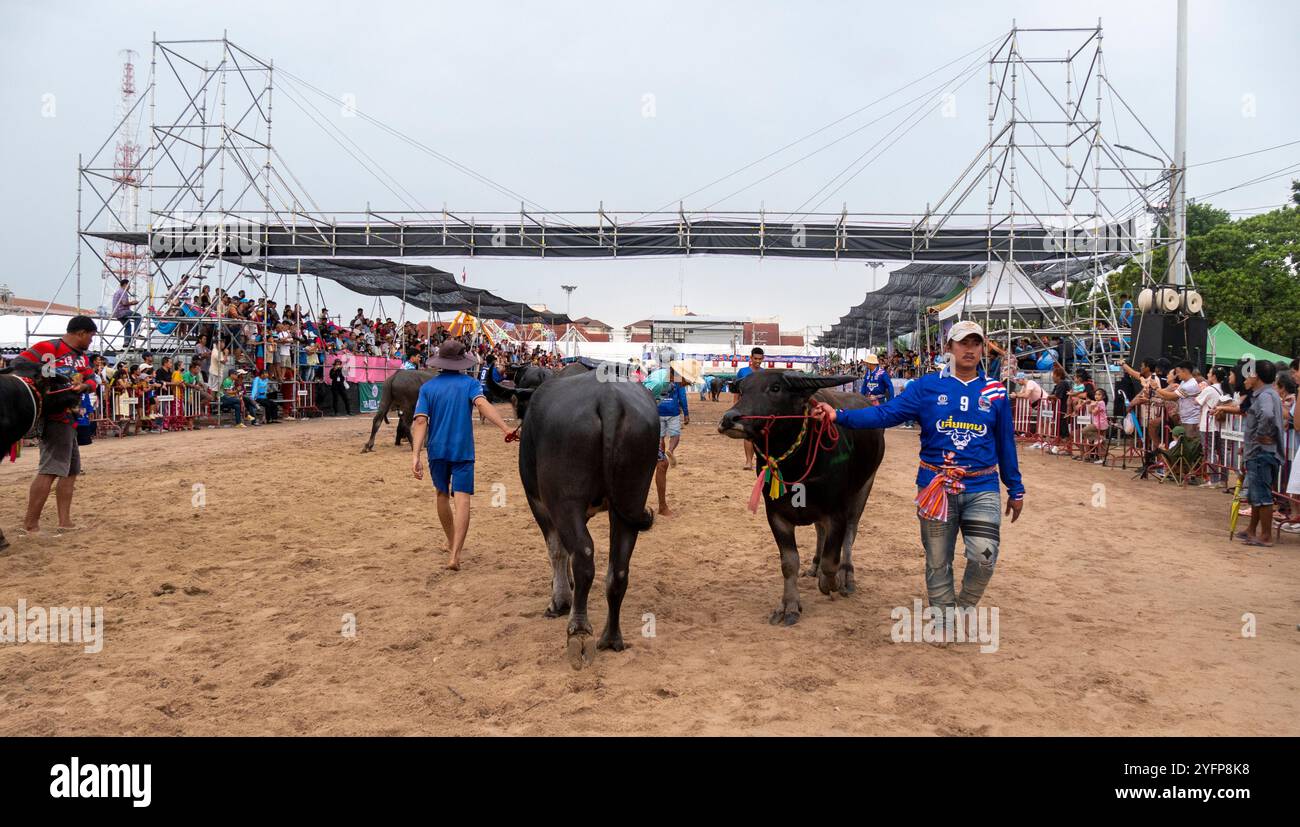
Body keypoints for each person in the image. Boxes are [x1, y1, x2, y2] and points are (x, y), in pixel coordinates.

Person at [811, 320, 1023, 635]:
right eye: (963, 343)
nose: (969, 349)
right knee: (938, 561)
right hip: (934, 487)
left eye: (975, 343)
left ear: (982, 348)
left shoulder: (996, 392)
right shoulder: (926, 387)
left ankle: (962, 610)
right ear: (949, 348)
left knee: (984, 556)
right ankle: (943, 621)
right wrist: (838, 415)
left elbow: (1006, 443)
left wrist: (1015, 489)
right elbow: (885, 414)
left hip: (982, 486)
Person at [410, 339, 515, 571]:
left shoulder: (427, 388)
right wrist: (505, 428)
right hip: (463, 450)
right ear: (461, 362)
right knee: (463, 499)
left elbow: (420, 421)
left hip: (436, 449)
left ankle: (450, 541)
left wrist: (415, 454)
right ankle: (455, 554)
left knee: (441, 494)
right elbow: (482, 405)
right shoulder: (469, 384)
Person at [16, 316, 100, 535]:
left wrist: (83, 386)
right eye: (91, 336)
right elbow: (18, 365)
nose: (91, 341)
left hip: (71, 419)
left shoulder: (82, 358)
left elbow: (92, 380)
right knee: (50, 470)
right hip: (54, 417)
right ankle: (30, 524)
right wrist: (50, 379)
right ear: (81, 333)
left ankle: (65, 521)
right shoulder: (48, 348)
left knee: (70, 471)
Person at [643, 358, 703, 516]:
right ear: (680, 375)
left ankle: (661, 506)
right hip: (640, 425)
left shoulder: (668, 382)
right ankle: (660, 507)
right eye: (688, 380)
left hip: (646, 423)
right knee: (660, 464)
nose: (688, 384)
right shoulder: (659, 382)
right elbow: (640, 403)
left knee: (661, 464)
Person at [1238, 359, 1284, 547]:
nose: (1246, 379)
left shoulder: (1265, 396)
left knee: (1262, 495)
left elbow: (1267, 415)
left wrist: (1259, 436)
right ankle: (1252, 529)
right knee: (1256, 494)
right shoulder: (1266, 394)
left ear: (1256, 376)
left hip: (1261, 453)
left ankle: (1265, 536)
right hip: (1260, 451)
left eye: (1248, 374)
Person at [734, 347, 765, 470]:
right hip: (746, 407)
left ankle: (759, 459)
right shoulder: (742, 372)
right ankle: (748, 461)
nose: (757, 361)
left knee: (760, 435)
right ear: (751, 358)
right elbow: (737, 391)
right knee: (748, 434)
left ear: (763, 359)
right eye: (755, 358)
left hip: (761, 408)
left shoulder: (764, 373)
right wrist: (735, 406)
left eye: (760, 359)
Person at [111, 278, 141, 345]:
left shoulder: (117, 292)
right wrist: (133, 303)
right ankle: (136, 333)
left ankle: (126, 342)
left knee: (128, 326)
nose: (129, 287)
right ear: (125, 284)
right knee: (138, 316)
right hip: (122, 311)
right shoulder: (123, 292)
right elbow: (124, 303)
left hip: (116, 313)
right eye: (129, 285)